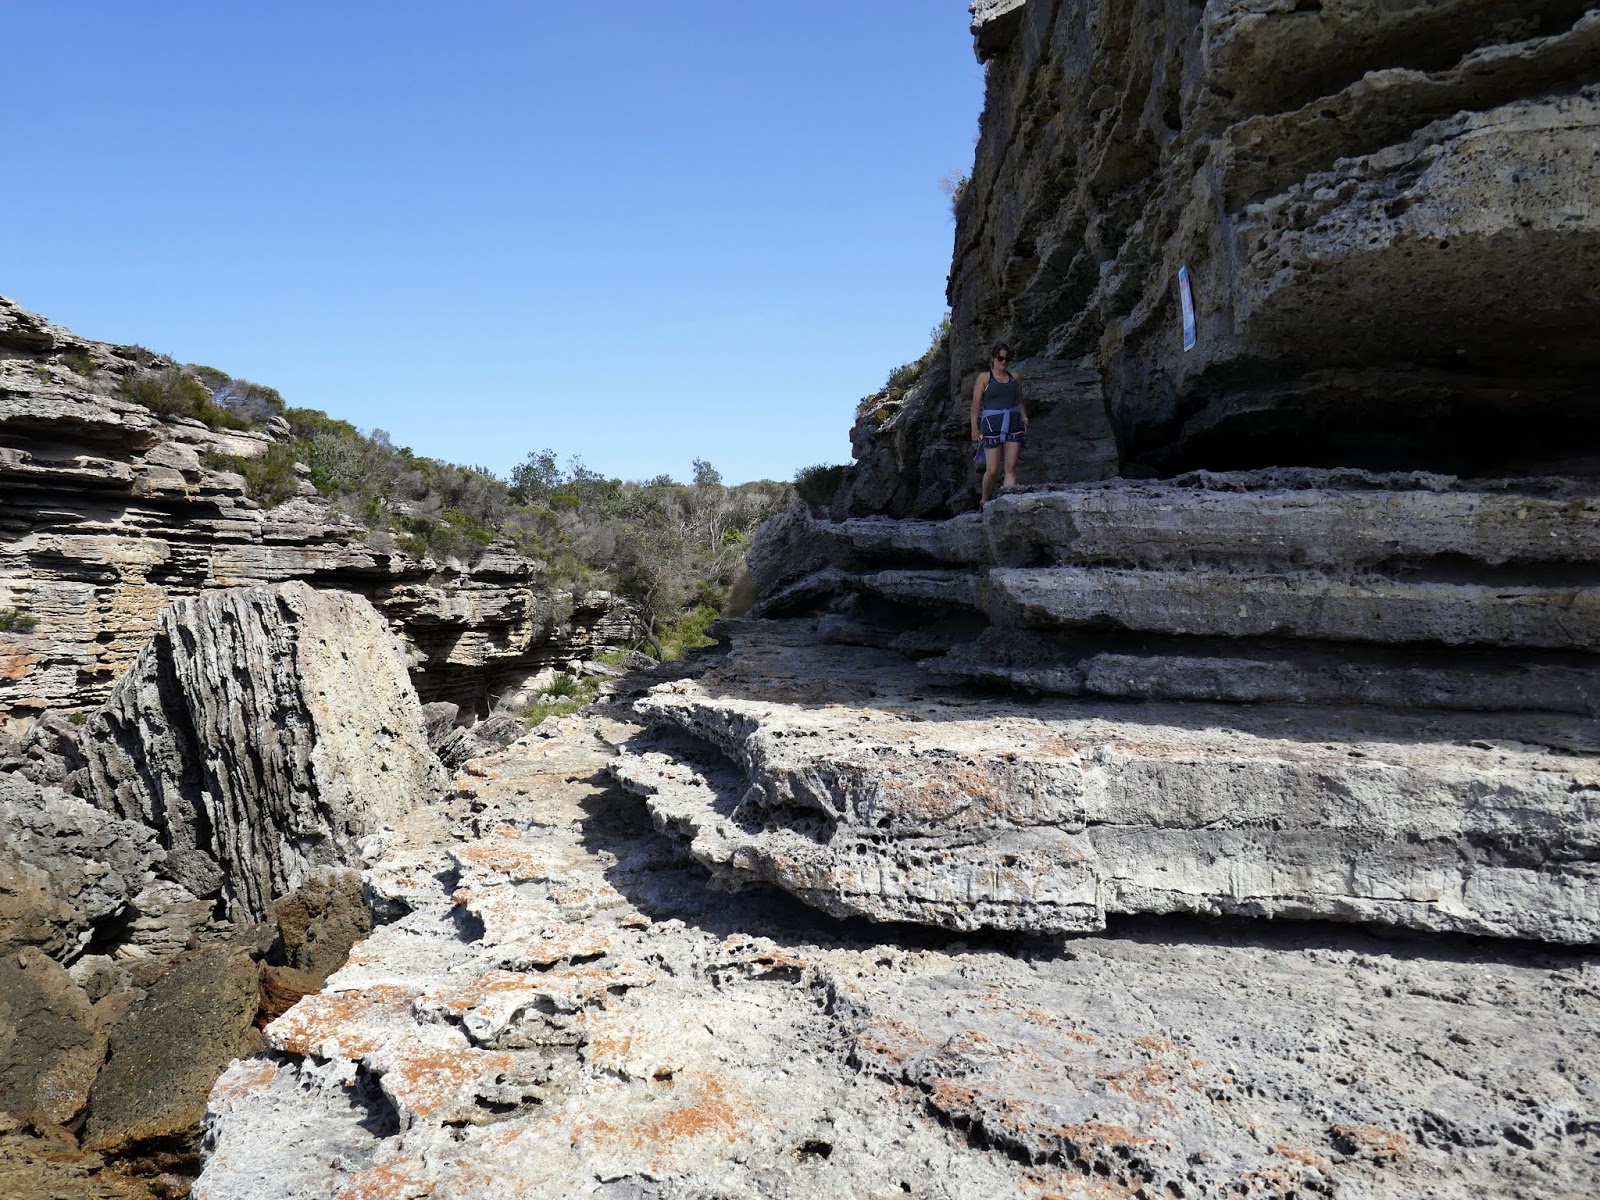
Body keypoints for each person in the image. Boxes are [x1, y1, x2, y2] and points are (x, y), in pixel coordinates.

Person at [970, 342, 1028, 507]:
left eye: (1007, 359)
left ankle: (1006, 505)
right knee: (993, 470)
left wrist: (1024, 418)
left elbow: (1019, 401)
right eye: (1001, 358)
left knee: (1011, 467)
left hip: (1013, 423)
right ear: (993, 359)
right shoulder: (984, 378)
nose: (1004, 362)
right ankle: (985, 500)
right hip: (991, 425)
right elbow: (975, 406)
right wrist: (974, 428)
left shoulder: (1015, 378)